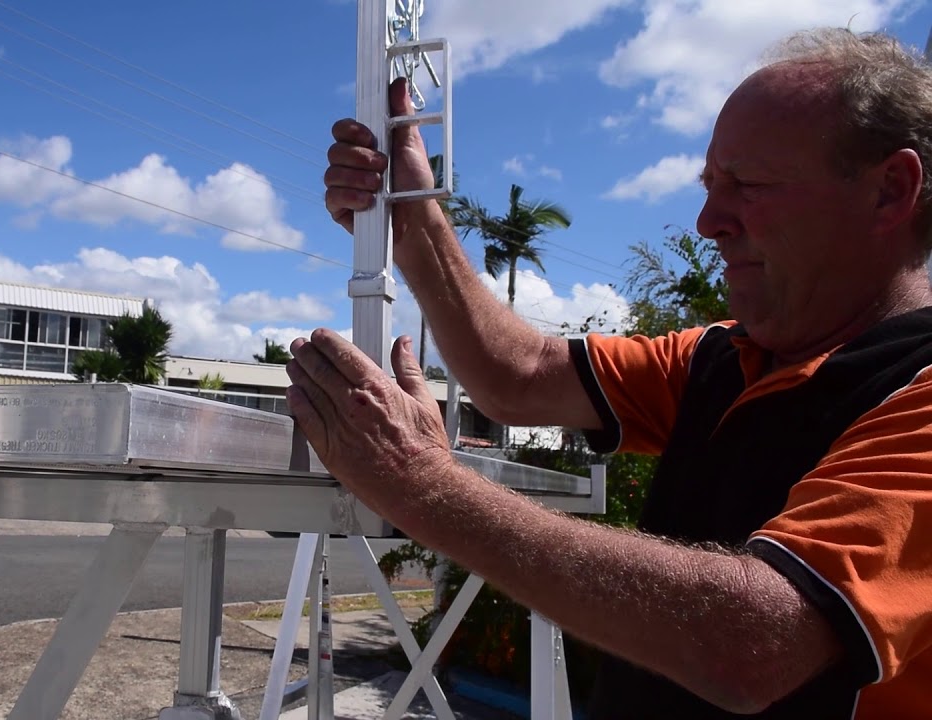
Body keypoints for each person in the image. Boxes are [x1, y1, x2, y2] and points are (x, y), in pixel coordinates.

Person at [288, 26, 932, 719]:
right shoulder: (723, 356)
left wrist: (417, 480)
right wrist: (411, 217)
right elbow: (519, 376)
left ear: (889, 191)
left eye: (749, 185)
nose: (709, 220)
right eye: (711, 185)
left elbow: (754, 642)